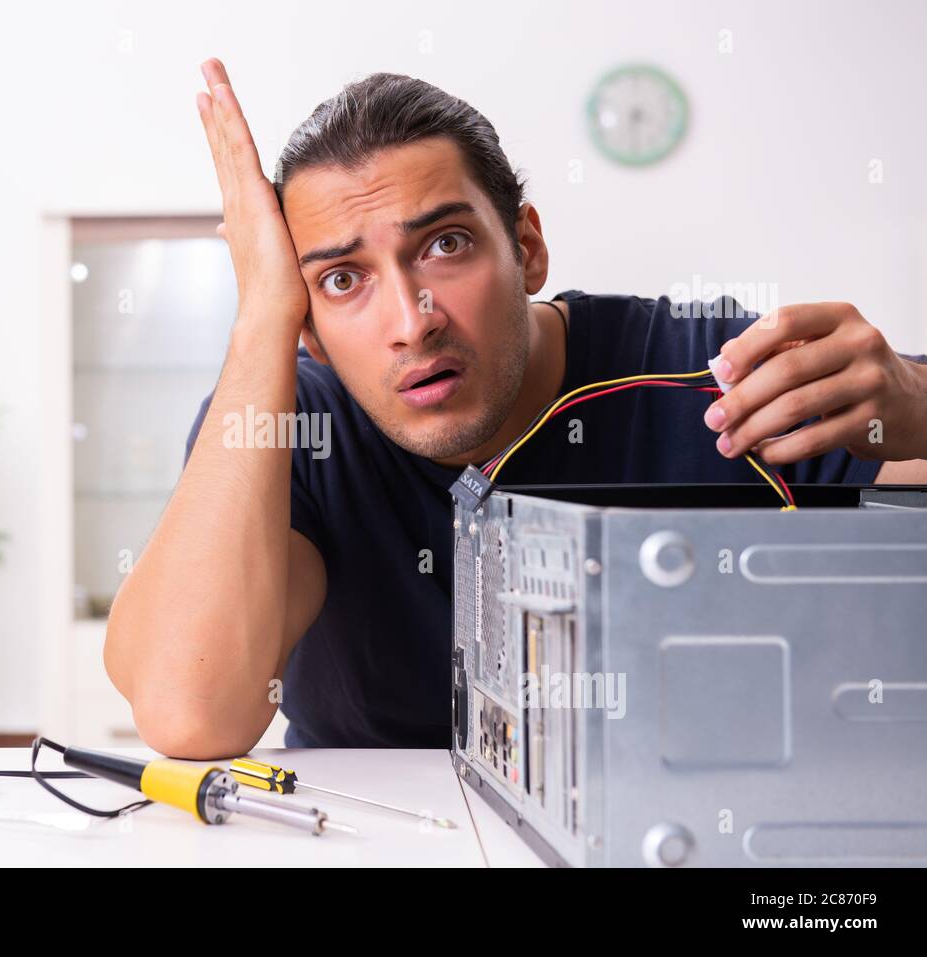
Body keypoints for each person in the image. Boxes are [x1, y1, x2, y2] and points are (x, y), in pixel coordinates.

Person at [104, 58, 927, 757]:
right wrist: (260, 319)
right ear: (305, 323)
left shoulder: (715, 369)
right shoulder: (287, 424)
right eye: (341, 280)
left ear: (526, 246)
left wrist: (916, 406)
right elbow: (190, 712)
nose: (411, 319)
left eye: (445, 245)